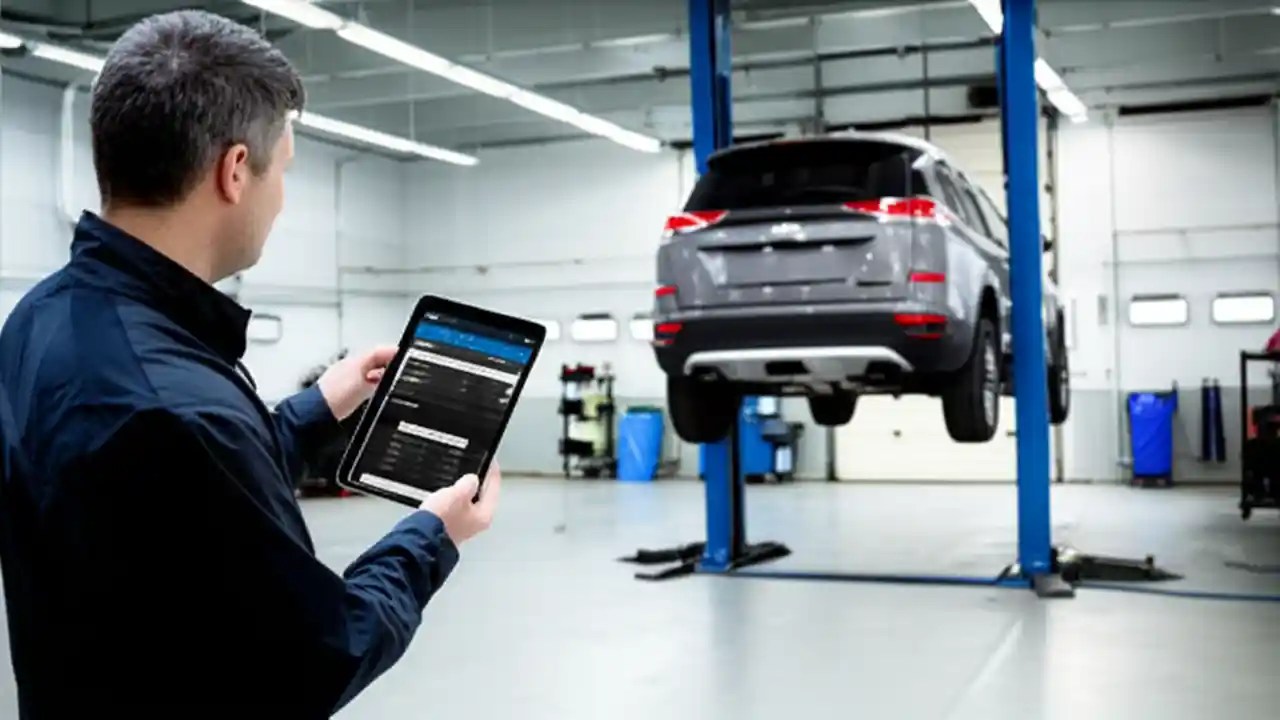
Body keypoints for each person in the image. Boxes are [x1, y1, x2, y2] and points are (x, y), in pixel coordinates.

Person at [0, 10, 499, 717]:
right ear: (236, 170)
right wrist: (434, 532)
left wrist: (320, 405)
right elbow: (324, 654)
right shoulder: (179, 409)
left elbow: (183, 500)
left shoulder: (40, 321)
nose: (281, 197)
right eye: (283, 170)